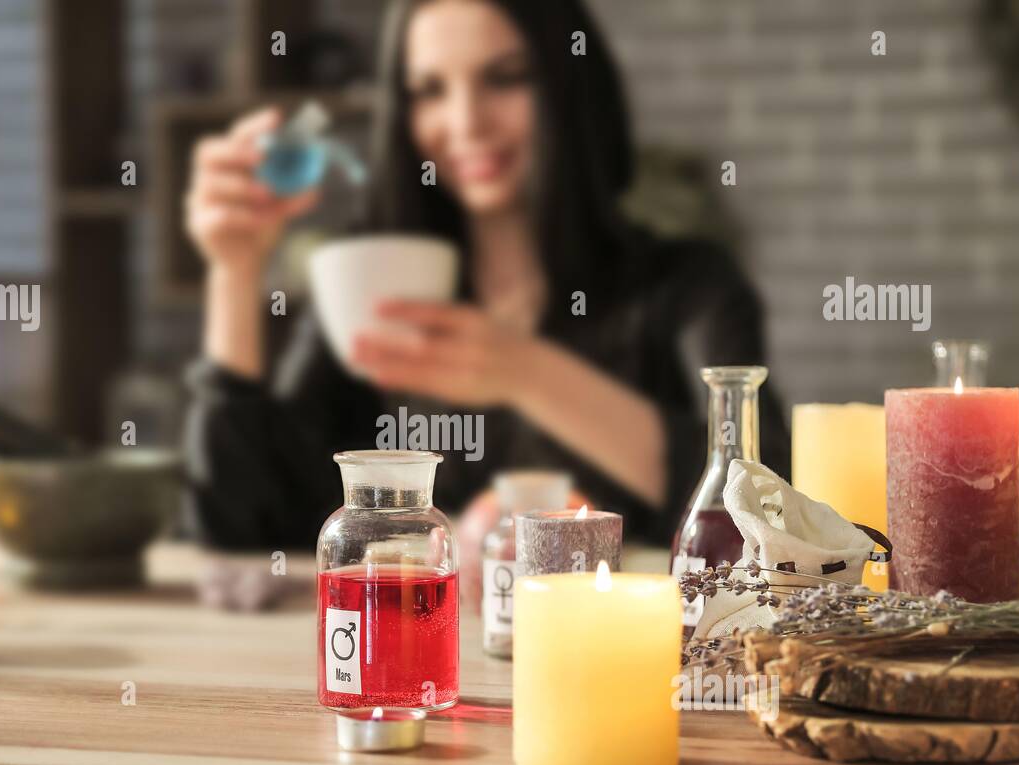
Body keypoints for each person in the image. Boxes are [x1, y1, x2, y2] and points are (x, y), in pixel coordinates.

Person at [184, 0, 789, 549]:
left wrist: (525, 371)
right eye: (429, 90)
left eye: (504, 78)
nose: (465, 121)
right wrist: (233, 272)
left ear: (567, 85)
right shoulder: (371, 285)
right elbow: (246, 524)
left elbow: (773, 510)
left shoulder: (689, 285)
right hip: (419, 655)